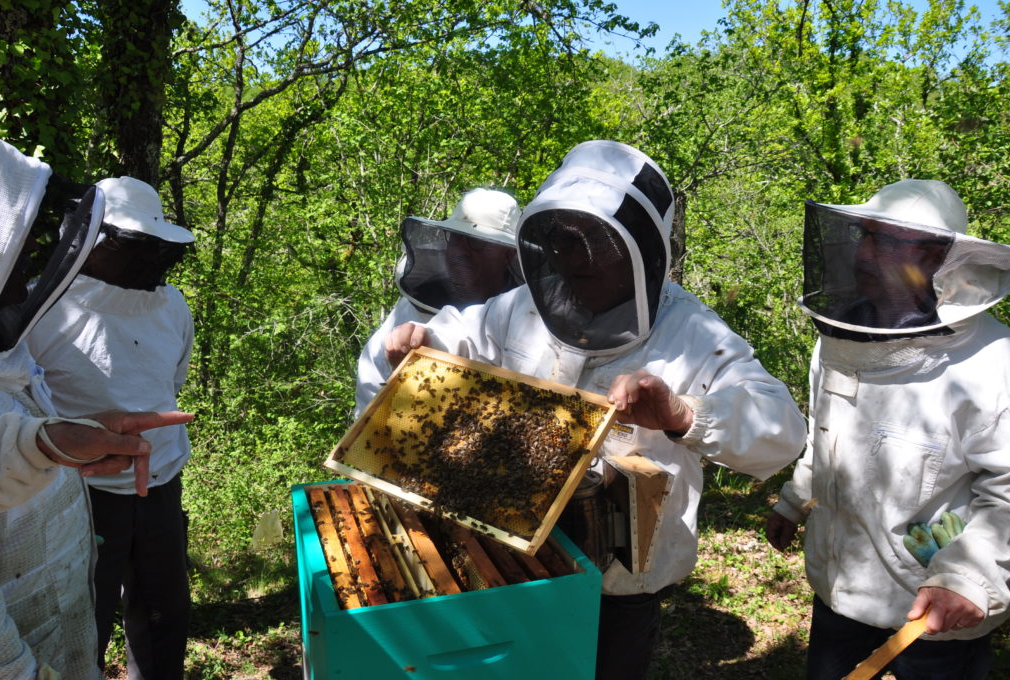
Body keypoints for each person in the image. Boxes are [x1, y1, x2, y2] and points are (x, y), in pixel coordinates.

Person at [384, 140, 807, 679]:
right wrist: (426, 338)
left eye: (595, 241)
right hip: (521, 552)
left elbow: (783, 429)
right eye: (561, 240)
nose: (573, 256)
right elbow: (462, 334)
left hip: (623, 582)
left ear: (641, 251)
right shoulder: (526, 304)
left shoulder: (693, 332)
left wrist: (681, 414)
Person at [766, 179, 1010, 679]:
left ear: (940, 258)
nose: (863, 254)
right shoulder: (841, 339)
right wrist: (794, 501)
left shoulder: (993, 363)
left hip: (932, 616)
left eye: (887, 241)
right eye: (865, 236)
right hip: (839, 590)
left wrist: (969, 577)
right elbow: (827, 437)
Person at [0, 134, 193, 679]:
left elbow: (172, 379)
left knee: (164, 612)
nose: (141, 255)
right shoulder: (39, 306)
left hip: (160, 481)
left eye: (150, 245)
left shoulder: (173, 305)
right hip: (79, 490)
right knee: (86, 615)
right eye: (128, 242)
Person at [355, 187, 521, 415]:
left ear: (508, 253)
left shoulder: (526, 314)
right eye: (455, 238)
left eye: (476, 242)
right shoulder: (414, 306)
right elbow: (371, 386)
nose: (459, 251)